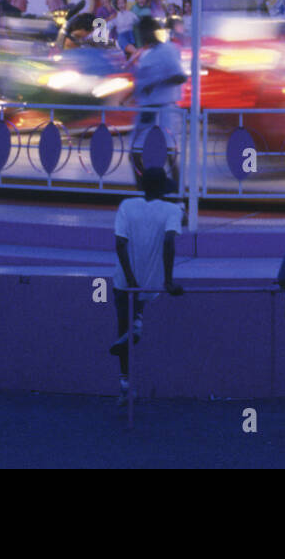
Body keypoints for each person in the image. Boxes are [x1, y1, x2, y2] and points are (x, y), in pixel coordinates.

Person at [110, 167, 184, 406]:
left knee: (122, 330)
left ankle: (124, 385)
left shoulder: (127, 206)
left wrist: (130, 278)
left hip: (124, 282)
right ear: (164, 188)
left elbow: (120, 243)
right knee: (134, 316)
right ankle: (138, 321)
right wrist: (169, 281)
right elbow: (169, 241)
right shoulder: (172, 210)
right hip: (152, 284)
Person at [130, 16, 185, 184]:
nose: (140, 36)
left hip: (164, 110)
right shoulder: (146, 54)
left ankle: (178, 196)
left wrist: (156, 84)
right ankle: (147, 191)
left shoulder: (168, 50)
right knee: (135, 154)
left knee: (169, 154)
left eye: (141, 32)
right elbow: (143, 82)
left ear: (149, 32)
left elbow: (179, 76)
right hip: (147, 111)